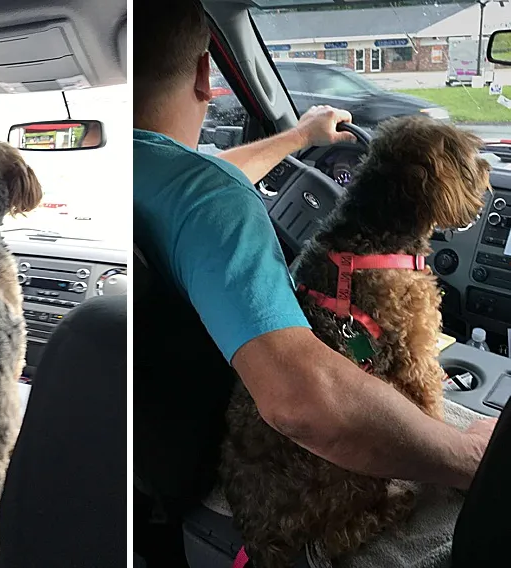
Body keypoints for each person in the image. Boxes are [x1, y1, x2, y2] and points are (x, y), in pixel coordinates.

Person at [134, 0, 495, 514]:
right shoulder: (211, 201)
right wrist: (470, 455)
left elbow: (204, 178)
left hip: (152, 449)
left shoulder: (146, 170)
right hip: (226, 467)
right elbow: (298, 406)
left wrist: (302, 136)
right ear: (203, 75)